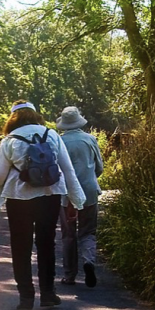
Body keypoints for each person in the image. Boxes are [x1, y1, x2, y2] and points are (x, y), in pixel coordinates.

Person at [0, 101, 86, 310]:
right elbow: (68, 171)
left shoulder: (10, 140)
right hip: (49, 195)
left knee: (20, 246)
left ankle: (26, 298)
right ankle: (48, 294)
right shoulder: (52, 135)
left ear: (13, 118)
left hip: (19, 198)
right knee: (46, 244)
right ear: (35, 115)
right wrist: (75, 201)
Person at [55, 106, 104, 288]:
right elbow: (99, 167)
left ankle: (69, 275)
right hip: (89, 192)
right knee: (88, 231)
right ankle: (88, 261)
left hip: (66, 194)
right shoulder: (90, 139)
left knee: (68, 235)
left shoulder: (59, 142)